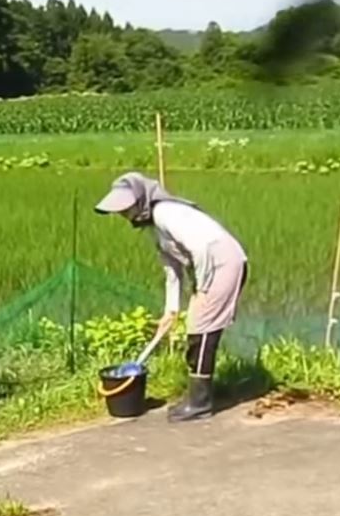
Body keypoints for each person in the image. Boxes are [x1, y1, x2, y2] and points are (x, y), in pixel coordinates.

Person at [94, 171, 248, 422]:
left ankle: (200, 402)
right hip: (212, 266)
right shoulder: (155, 227)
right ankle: (199, 397)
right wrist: (171, 310)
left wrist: (203, 285)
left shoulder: (167, 213)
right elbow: (171, 270)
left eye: (127, 208)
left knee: (202, 330)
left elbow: (202, 247)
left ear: (141, 199)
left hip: (222, 263)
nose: (124, 214)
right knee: (198, 328)